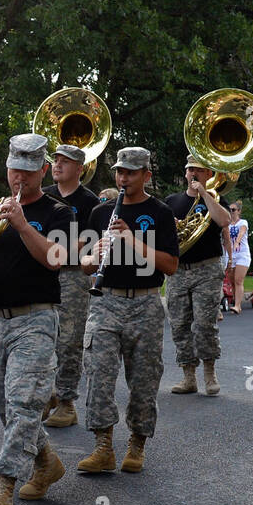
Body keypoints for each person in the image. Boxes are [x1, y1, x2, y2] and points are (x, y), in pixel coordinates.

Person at [0, 134, 72, 505]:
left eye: (29, 172)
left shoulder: (58, 212)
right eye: (15, 169)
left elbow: (55, 259)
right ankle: (45, 460)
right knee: (3, 399)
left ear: (43, 171)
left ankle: (3, 486)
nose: (20, 178)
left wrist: (23, 225)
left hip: (36, 319)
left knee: (24, 402)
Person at [77, 147, 179, 474]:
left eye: (131, 173)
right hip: (105, 300)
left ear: (146, 176)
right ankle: (103, 445)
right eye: (120, 172)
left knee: (144, 379)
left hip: (146, 302)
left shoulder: (160, 213)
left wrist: (132, 240)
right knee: (98, 373)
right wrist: (95, 255)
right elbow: (85, 265)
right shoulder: (99, 212)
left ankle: (137, 441)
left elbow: (171, 265)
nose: (124, 178)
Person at [43, 144, 100, 428]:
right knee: (42, 337)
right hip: (41, 272)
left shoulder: (89, 201)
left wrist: (57, 249)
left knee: (69, 339)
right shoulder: (45, 195)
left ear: (80, 168)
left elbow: (89, 240)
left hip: (73, 276)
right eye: (55, 161)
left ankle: (66, 402)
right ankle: (47, 394)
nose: (57, 165)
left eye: (65, 162)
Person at [164, 155, 231, 394]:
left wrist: (204, 193)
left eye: (199, 170)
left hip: (207, 269)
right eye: (190, 169)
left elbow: (225, 220)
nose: (193, 173)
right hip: (179, 270)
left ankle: (210, 374)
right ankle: (188, 376)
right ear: (185, 173)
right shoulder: (172, 201)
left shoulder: (215, 199)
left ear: (208, 174)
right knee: (180, 325)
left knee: (204, 324)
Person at [226, 201, 251, 313]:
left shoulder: (243, 222)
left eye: (233, 210)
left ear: (239, 211)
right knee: (232, 282)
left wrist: (237, 242)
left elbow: (241, 232)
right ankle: (237, 304)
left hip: (242, 254)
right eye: (229, 209)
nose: (231, 212)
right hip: (230, 255)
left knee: (238, 280)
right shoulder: (226, 224)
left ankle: (237, 305)